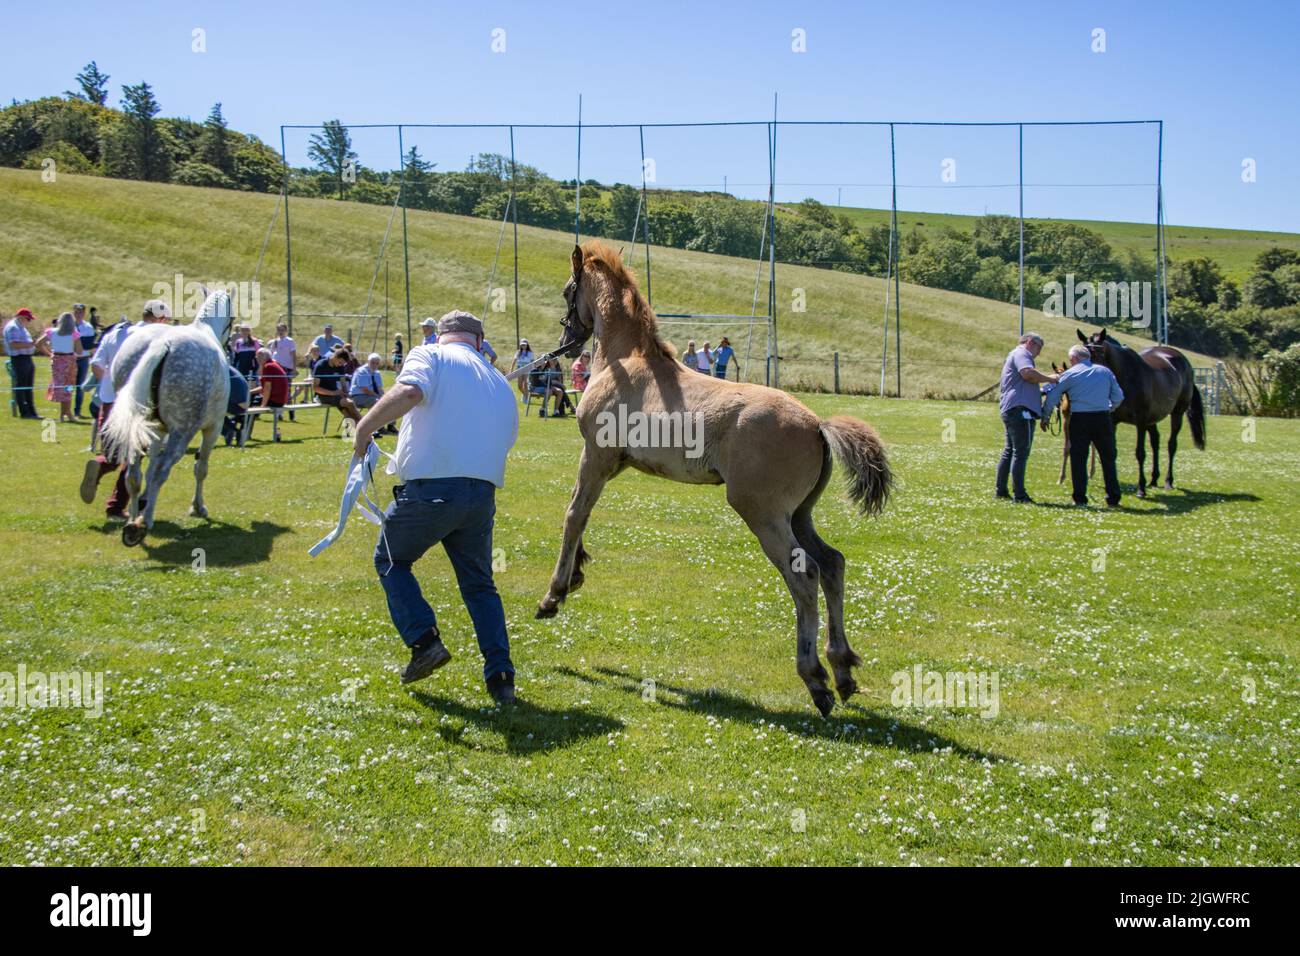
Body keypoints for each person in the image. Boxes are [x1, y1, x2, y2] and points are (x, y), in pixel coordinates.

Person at [351, 310, 520, 704]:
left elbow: (410, 392)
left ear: (440, 336)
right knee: (480, 586)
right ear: (479, 341)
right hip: (481, 495)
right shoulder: (497, 380)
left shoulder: (429, 355)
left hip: (432, 490)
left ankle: (424, 640)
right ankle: (501, 677)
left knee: (390, 559)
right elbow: (506, 437)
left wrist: (364, 427)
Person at [79, 300, 172, 519]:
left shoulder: (116, 332)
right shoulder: (155, 336)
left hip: (109, 398)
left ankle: (100, 465)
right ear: (160, 319)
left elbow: (96, 364)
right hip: (137, 403)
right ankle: (114, 507)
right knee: (135, 456)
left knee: (112, 452)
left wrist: (112, 385)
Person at [1040, 343, 1125, 507]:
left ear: (1073, 358)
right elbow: (1118, 396)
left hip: (1080, 419)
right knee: (1108, 458)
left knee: (1079, 458)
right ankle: (1113, 497)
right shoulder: (1105, 372)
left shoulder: (1070, 374)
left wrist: (1045, 416)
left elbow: (1052, 397)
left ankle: (1080, 498)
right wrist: (1109, 408)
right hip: (1102, 418)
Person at [995, 332, 1058, 503]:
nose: (1039, 352)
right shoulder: (1023, 354)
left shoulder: (1015, 354)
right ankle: (1020, 495)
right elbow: (1028, 374)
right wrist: (1051, 379)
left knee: (1010, 450)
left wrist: (1043, 390)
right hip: (1019, 410)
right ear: (1030, 342)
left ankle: (1001, 490)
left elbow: (1024, 384)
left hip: (1012, 407)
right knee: (1020, 452)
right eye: (1039, 347)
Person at [44, 311, 85, 422]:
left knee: (61, 386)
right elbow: (80, 351)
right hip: (69, 362)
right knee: (68, 387)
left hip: (56, 361)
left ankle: (64, 413)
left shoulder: (51, 332)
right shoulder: (73, 333)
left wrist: (49, 352)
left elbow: (38, 343)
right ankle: (67, 413)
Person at [4, 308, 42, 419]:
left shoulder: (21, 327)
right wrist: (31, 344)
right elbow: (14, 345)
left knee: (28, 386)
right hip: (19, 359)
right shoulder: (13, 328)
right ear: (21, 317)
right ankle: (25, 412)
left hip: (26, 358)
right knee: (21, 386)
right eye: (28, 319)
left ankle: (32, 411)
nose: (29, 321)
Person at [247, 347, 290, 442]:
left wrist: (263, 405)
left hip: (276, 400)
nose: (257, 359)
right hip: (280, 399)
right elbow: (265, 387)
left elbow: (267, 388)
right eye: (256, 357)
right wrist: (250, 392)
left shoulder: (268, 367)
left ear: (264, 357)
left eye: (259, 357)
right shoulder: (273, 364)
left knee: (250, 408)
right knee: (251, 399)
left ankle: (245, 434)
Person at [349, 353, 397, 434]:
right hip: (359, 396)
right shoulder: (361, 371)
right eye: (372, 362)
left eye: (377, 363)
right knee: (378, 403)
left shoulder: (377, 373)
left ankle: (391, 426)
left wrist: (385, 396)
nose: (375, 365)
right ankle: (379, 427)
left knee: (391, 401)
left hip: (371, 396)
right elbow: (364, 389)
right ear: (368, 361)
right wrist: (379, 397)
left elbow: (379, 388)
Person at [312, 347, 361, 423]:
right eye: (340, 362)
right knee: (349, 403)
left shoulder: (340, 367)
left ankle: (354, 432)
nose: (340, 365)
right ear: (335, 357)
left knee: (347, 413)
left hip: (336, 396)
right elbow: (315, 388)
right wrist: (333, 393)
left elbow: (343, 383)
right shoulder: (321, 365)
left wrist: (346, 394)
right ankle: (365, 426)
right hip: (322, 396)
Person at [73, 304, 96, 418]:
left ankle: (77, 410)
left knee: (80, 386)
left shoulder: (88, 327)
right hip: (71, 359)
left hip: (83, 359)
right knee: (68, 385)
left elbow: (88, 345)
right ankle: (66, 409)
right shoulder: (68, 325)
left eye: (81, 312)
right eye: (76, 312)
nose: (78, 314)